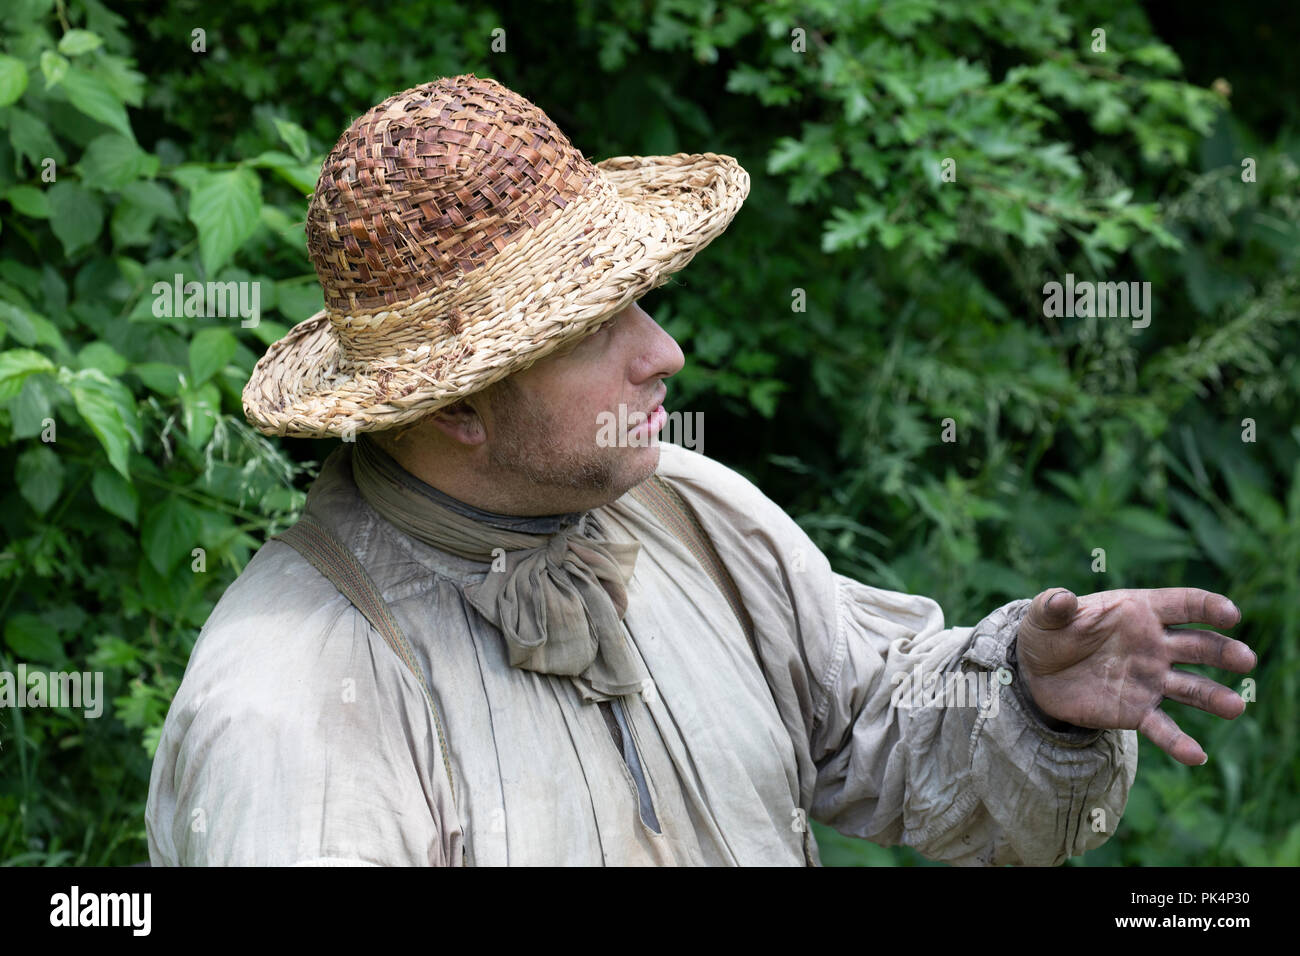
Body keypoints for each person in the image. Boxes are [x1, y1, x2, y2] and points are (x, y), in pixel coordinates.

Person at [145, 73, 1254, 866]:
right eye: (592, 329)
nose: (662, 352)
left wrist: (1025, 693)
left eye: (640, 298)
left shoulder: (687, 504)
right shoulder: (287, 707)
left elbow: (880, 722)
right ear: (462, 407)